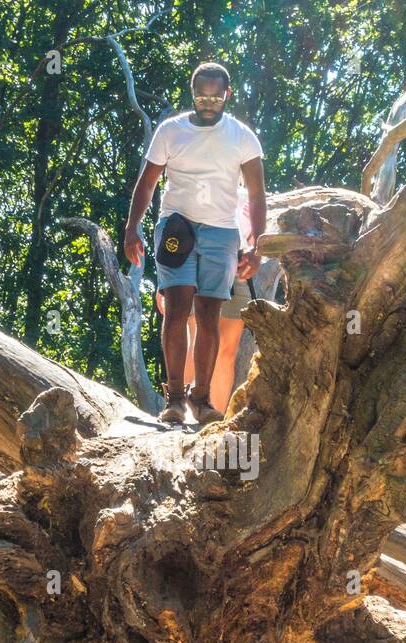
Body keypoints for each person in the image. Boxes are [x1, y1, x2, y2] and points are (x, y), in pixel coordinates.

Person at [123, 62, 266, 425]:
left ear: (226, 95)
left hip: (221, 234)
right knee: (176, 310)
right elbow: (148, 182)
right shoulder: (171, 131)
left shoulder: (243, 137)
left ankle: (201, 401)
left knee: (208, 316)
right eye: (202, 95)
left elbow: (256, 193)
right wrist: (132, 227)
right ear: (193, 93)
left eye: (215, 96)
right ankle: (173, 399)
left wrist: (256, 245)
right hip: (176, 230)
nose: (208, 102)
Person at [156, 189, 257, 415]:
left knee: (227, 351)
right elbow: (172, 233)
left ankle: (212, 416)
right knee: (192, 335)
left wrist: (253, 240)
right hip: (192, 262)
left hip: (238, 268)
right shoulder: (189, 179)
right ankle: (177, 407)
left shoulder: (250, 194)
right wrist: (162, 285)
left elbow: (257, 243)